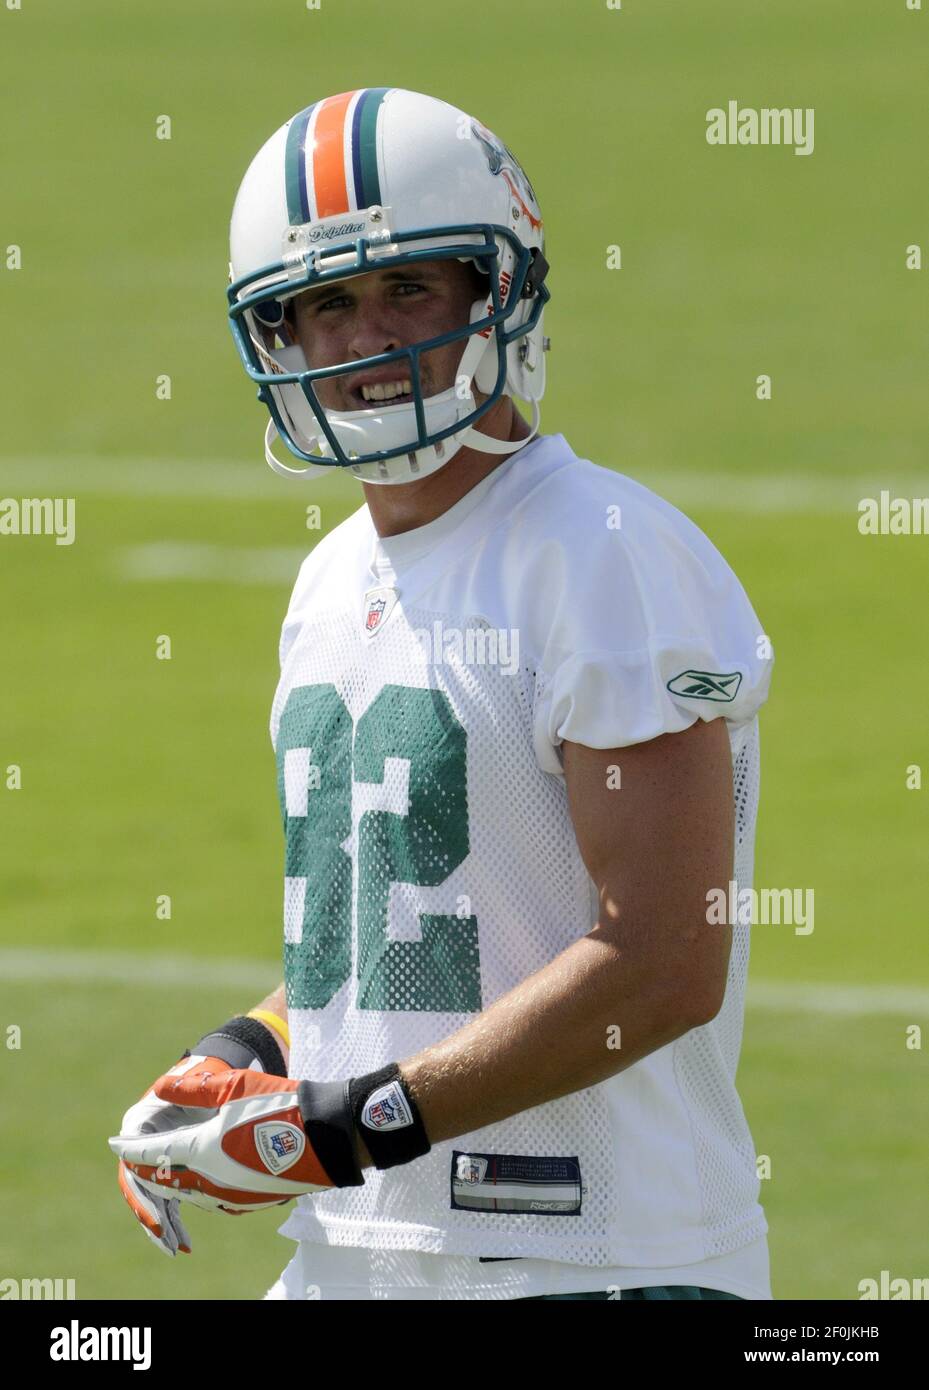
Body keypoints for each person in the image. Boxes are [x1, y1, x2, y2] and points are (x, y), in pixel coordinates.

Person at [111, 87, 774, 1302]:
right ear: (276, 341)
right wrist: (247, 1057)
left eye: (406, 289)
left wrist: (349, 1130)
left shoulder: (601, 547)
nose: (366, 341)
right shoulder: (328, 581)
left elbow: (666, 958)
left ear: (494, 289)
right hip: (359, 1254)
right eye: (323, 305)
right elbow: (392, 947)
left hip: (594, 1264)